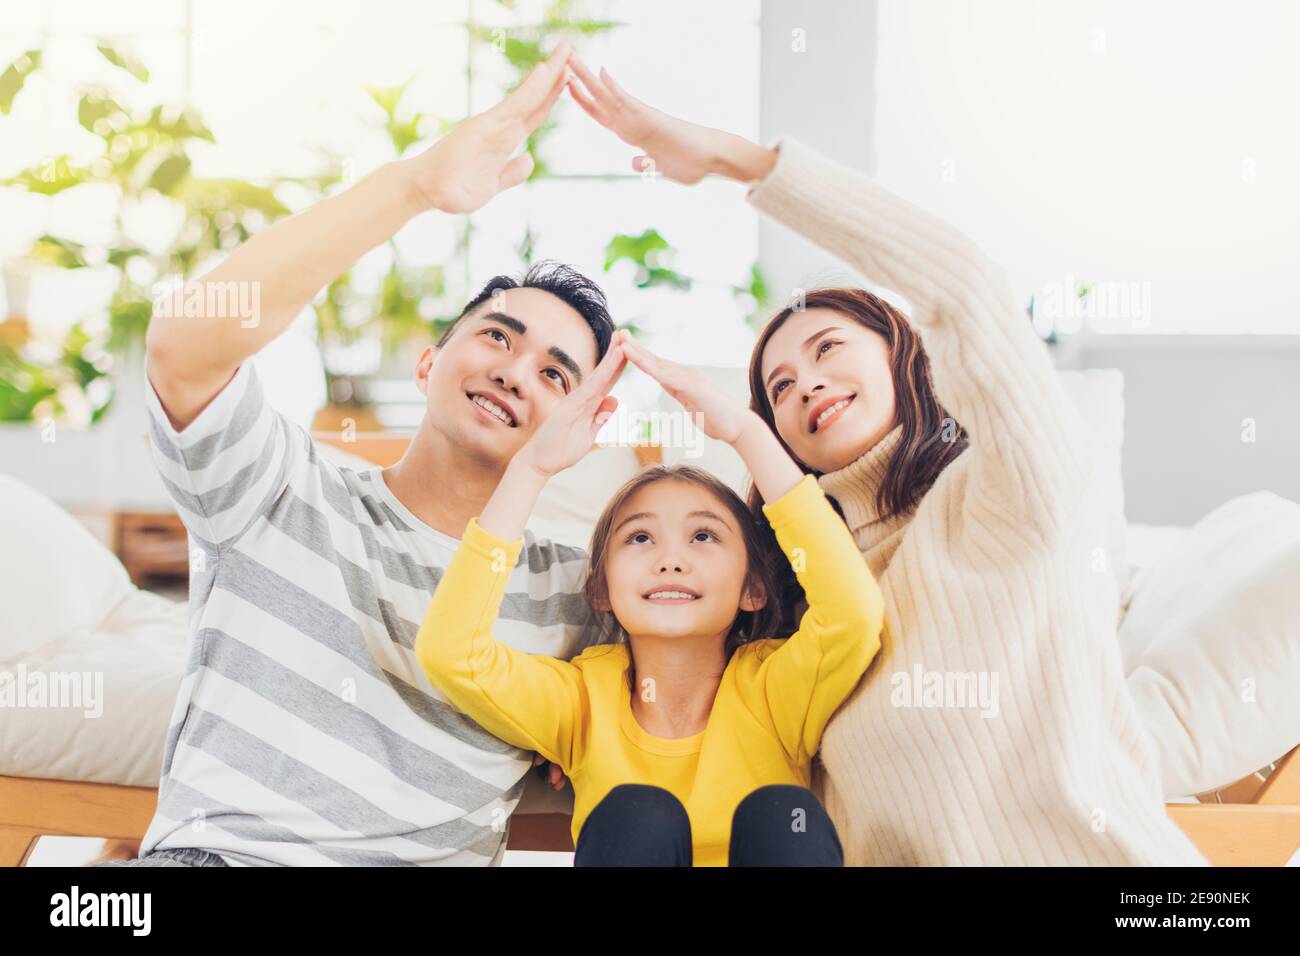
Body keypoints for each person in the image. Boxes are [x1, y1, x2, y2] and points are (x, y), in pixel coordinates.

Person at [566, 58, 1209, 865]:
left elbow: (968, 290)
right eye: (780, 387)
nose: (808, 384)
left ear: (906, 354)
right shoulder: (802, 609)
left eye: (829, 348)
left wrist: (738, 161)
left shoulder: (1012, 495)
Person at [100, 43, 618, 867]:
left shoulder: (577, 594)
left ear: (584, 424)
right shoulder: (282, 488)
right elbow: (184, 347)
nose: (516, 373)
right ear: (427, 362)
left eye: (556, 374)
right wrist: (415, 187)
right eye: (497, 337)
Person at [415, 330, 886, 866]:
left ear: (753, 588)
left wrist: (745, 434)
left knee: (784, 811)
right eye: (640, 538)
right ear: (601, 588)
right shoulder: (583, 702)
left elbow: (853, 615)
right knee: (637, 812)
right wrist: (531, 469)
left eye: (703, 536)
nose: (670, 559)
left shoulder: (773, 688)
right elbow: (453, 655)